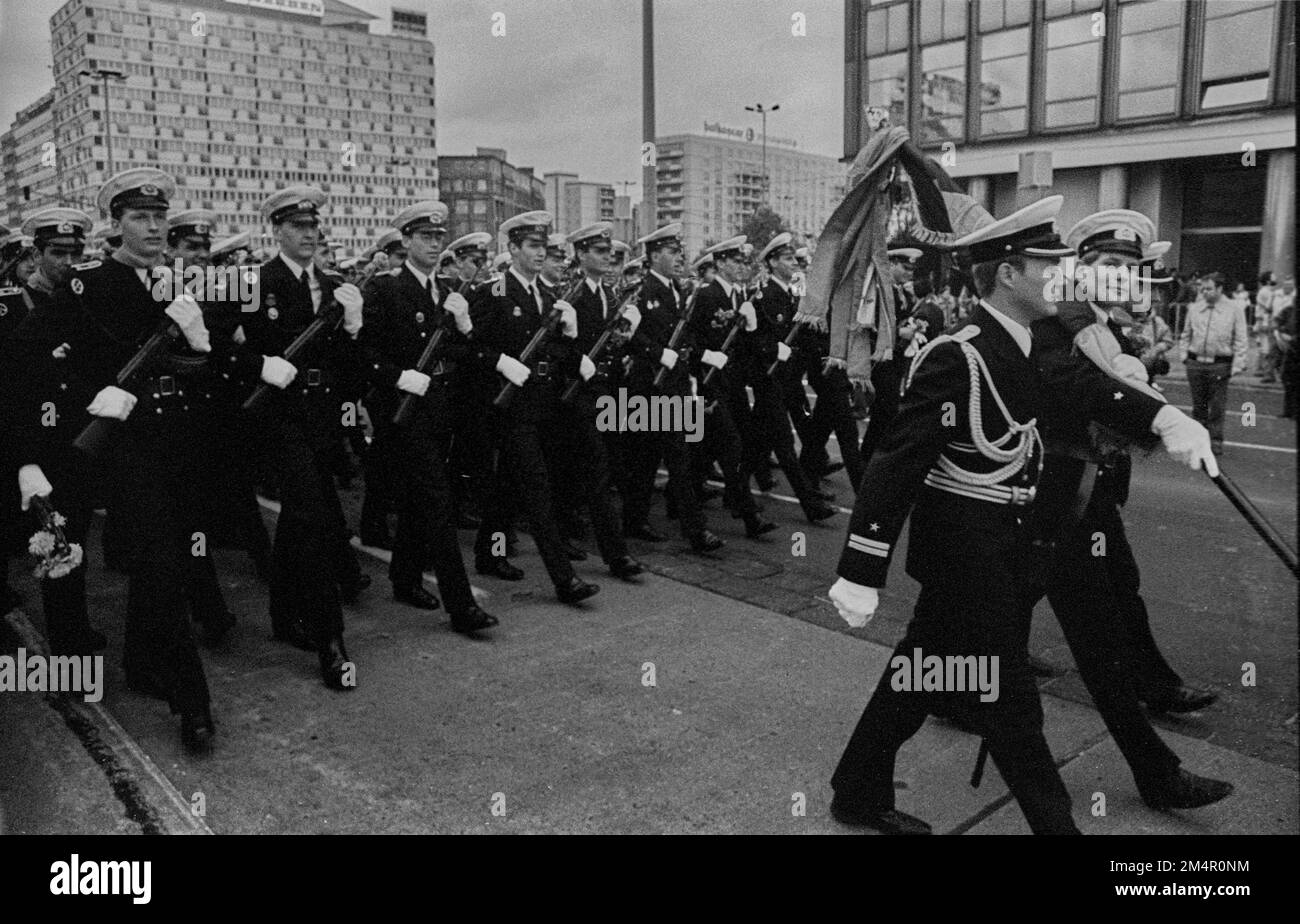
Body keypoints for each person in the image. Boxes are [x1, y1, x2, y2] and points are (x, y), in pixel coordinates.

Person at [827, 196, 1086, 835]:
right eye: (1044, 263)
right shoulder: (957, 353)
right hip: (966, 552)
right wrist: (862, 567)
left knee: (921, 671)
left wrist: (1162, 419)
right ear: (1006, 272)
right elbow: (896, 461)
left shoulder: (1029, 344)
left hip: (1001, 544)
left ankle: (857, 791)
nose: (1056, 274)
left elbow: (1077, 406)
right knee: (1009, 699)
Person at [3, 172, 224, 750]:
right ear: (116, 225)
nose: (154, 227)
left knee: (161, 565)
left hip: (171, 446)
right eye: (140, 217)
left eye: (161, 217)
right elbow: (23, 367)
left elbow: (196, 373)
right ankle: (192, 704)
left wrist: (200, 346)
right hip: (117, 450)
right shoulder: (87, 284)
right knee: (160, 569)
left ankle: (141, 664)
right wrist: (32, 454)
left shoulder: (178, 284)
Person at [1023, 208, 1232, 810]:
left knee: (1117, 589)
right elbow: (1083, 391)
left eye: (1130, 268)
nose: (1122, 277)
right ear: (1080, 266)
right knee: (1096, 637)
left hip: (1089, 495)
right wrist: (1158, 415)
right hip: (1055, 502)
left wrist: (1143, 387)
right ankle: (1156, 771)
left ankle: (1154, 684)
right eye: (1110, 264)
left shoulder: (1098, 323)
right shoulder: (1056, 322)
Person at [235, 185, 370, 690]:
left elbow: (352, 367)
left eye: (314, 227)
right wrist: (257, 363)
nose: (310, 235)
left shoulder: (336, 286)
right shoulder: (253, 281)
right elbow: (210, 349)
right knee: (312, 518)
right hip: (278, 420)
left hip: (324, 419)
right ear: (276, 230)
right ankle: (330, 640)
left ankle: (280, 611)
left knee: (298, 518)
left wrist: (354, 329)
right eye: (298, 227)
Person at [359, 200, 499, 634]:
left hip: (441, 406)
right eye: (425, 237)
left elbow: (462, 354)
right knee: (438, 501)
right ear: (406, 240)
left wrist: (467, 329)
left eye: (439, 237)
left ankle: (404, 578)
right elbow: (364, 353)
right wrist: (398, 376)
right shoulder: (383, 289)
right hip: (404, 410)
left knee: (425, 497)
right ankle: (461, 606)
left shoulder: (448, 290)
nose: (434, 244)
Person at [469, 210, 600, 605]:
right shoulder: (492, 293)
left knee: (507, 489)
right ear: (511, 249)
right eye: (532, 245)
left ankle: (488, 555)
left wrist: (572, 344)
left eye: (544, 245)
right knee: (538, 489)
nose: (541, 252)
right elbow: (465, 345)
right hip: (507, 408)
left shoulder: (547, 297)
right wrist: (496, 360)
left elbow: (551, 348)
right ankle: (565, 580)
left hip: (540, 404)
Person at [0, 208, 101, 650]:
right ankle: (67, 645)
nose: (67, 261)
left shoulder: (84, 301)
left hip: (80, 439)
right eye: (57, 252)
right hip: (32, 444)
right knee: (53, 544)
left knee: (73, 542)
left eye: (76, 252)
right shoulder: (8, 309)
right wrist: (23, 460)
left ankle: (72, 629)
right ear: (36, 254)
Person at [621, 223, 724, 552]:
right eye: (671, 251)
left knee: (667, 455)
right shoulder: (641, 291)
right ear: (652, 256)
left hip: (675, 384)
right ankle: (687, 529)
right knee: (657, 457)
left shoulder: (678, 290)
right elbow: (625, 335)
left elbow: (685, 335)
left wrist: (698, 354)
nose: (679, 257)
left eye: (679, 251)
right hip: (650, 385)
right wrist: (655, 351)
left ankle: (646, 522)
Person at [688, 236, 773, 539]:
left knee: (728, 445)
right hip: (711, 384)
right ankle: (750, 515)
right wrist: (703, 357)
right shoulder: (707, 295)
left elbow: (746, 346)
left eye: (743, 261)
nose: (741, 267)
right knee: (732, 447)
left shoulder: (740, 297)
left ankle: (680, 495)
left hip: (734, 383)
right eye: (735, 261)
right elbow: (689, 340)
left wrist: (751, 329)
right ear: (721, 262)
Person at [1179, 272, 1249, 455]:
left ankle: (1215, 440)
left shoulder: (1235, 309)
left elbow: (1241, 339)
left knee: (1217, 405)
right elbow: (1186, 334)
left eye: (1209, 288)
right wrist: (1184, 356)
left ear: (1219, 288)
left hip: (1220, 364)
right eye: (1202, 289)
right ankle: (1197, 440)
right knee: (1198, 405)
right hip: (1195, 363)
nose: (1204, 292)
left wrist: (1238, 364)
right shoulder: (1194, 308)